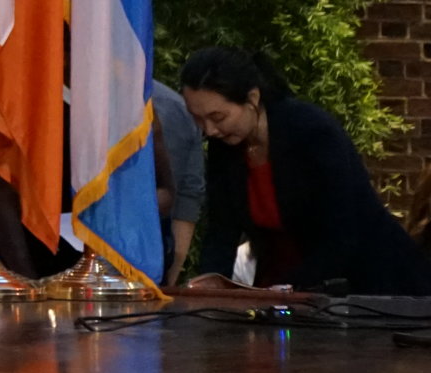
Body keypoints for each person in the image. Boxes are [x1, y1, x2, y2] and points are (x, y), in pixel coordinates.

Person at [178, 46, 431, 296]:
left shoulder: (312, 132)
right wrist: (211, 282)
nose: (209, 130)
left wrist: (292, 288)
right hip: (289, 286)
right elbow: (221, 228)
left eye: (218, 117)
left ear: (252, 99)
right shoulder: (225, 147)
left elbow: (341, 231)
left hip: (372, 283)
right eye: (198, 119)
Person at [149, 78, 205, 290]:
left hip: (136, 266)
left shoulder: (165, 106)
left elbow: (184, 197)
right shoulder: (174, 104)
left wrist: (169, 281)